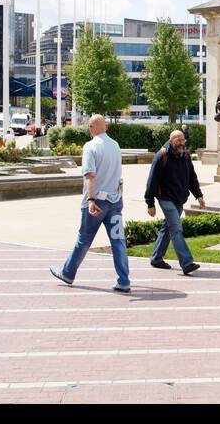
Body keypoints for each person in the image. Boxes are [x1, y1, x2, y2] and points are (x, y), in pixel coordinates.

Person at [50, 114, 130, 293]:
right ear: (106, 127)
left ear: (91, 129)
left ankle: (68, 272)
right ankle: (124, 280)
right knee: (118, 241)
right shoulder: (115, 146)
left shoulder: (90, 146)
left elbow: (90, 175)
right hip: (115, 200)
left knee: (84, 238)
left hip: (97, 202)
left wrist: (91, 199)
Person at [144, 129, 205, 274]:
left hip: (179, 198)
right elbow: (152, 180)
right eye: (178, 140)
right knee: (176, 228)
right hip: (165, 198)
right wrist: (150, 203)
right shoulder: (162, 155)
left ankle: (156, 258)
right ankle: (187, 262)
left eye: (183, 140)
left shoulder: (185, 156)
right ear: (171, 141)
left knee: (168, 228)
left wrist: (199, 195)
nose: (181, 143)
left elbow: (192, 177)